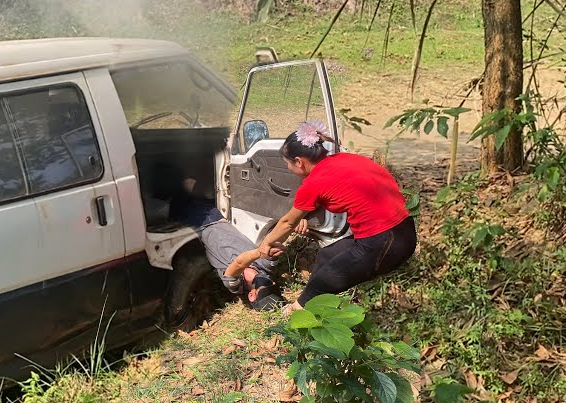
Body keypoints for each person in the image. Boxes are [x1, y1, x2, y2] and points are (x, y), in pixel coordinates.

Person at [256, 119, 416, 310]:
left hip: (382, 242)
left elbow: (287, 223)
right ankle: (315, 311)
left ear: (299, 162)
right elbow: (338, 195)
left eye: (288, 164)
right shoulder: (345, 160)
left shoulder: (314, 182)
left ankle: (293, 317)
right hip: (403, 231)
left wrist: (266, 244)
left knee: (319, 287)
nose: (289, 169)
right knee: (327, 256)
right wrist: (304, 218)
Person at [151, 165, 285, 311]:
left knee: (175, 202)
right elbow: (275, 241)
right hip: (217, 218)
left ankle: (156, 180)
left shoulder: (235, 284)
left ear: (252, 296)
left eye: (266, 291)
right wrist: (288, 230)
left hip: (201, 227)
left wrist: (260, 251)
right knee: (192, 193)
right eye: (274, 289)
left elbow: (239, 263)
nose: (270, 285)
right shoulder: (265, 266)